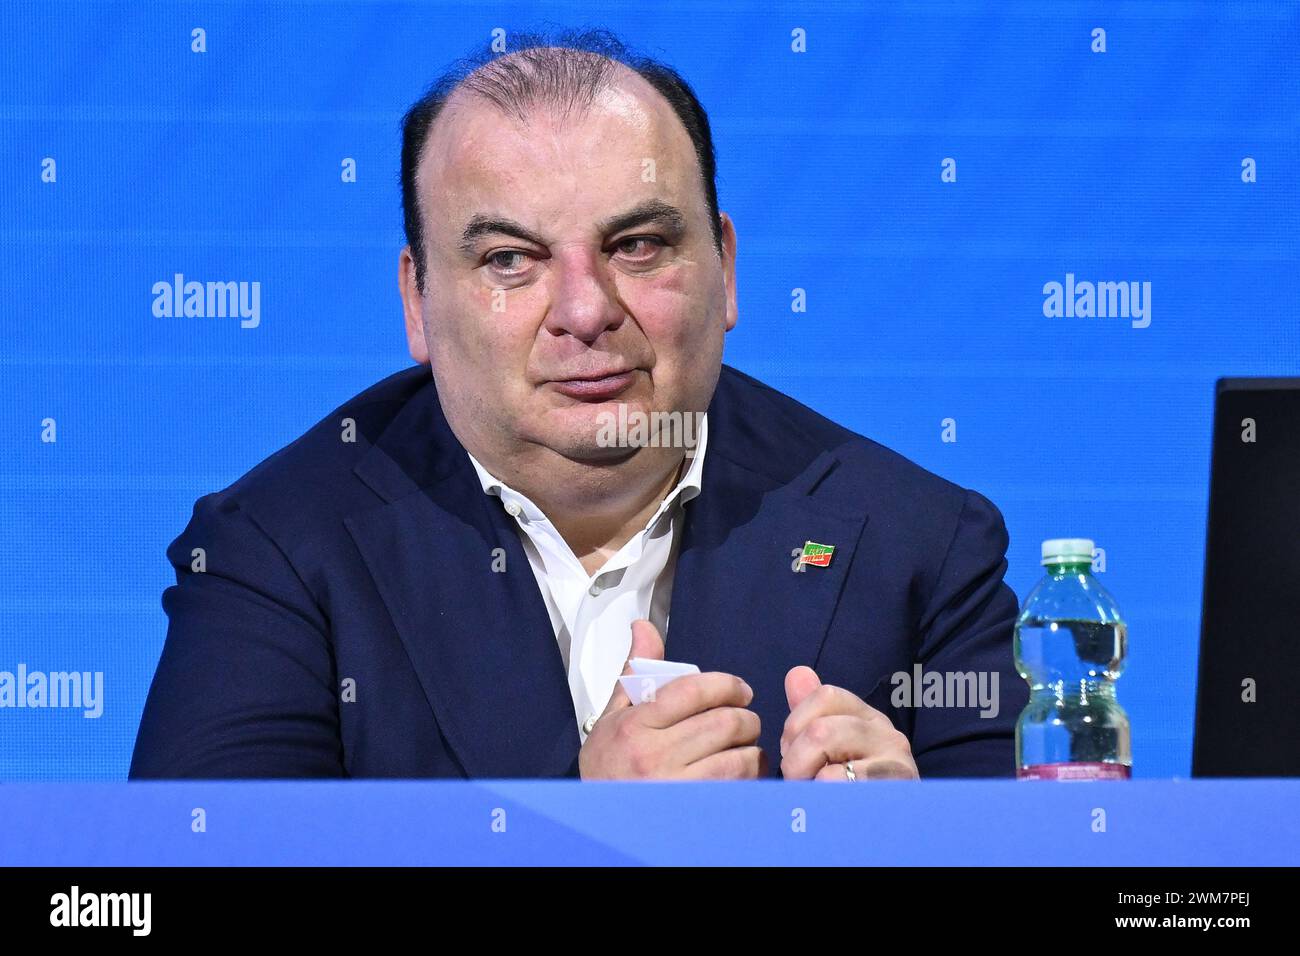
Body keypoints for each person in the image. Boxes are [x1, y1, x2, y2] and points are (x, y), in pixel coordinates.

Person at [130, 29, 1026, 781]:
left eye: (637, 245)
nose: (586, 310)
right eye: (510, 261)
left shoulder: (921, 545)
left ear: (726, 269)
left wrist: (919, 856)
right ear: (418, 303)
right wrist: (569, 840)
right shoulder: (278, 549)